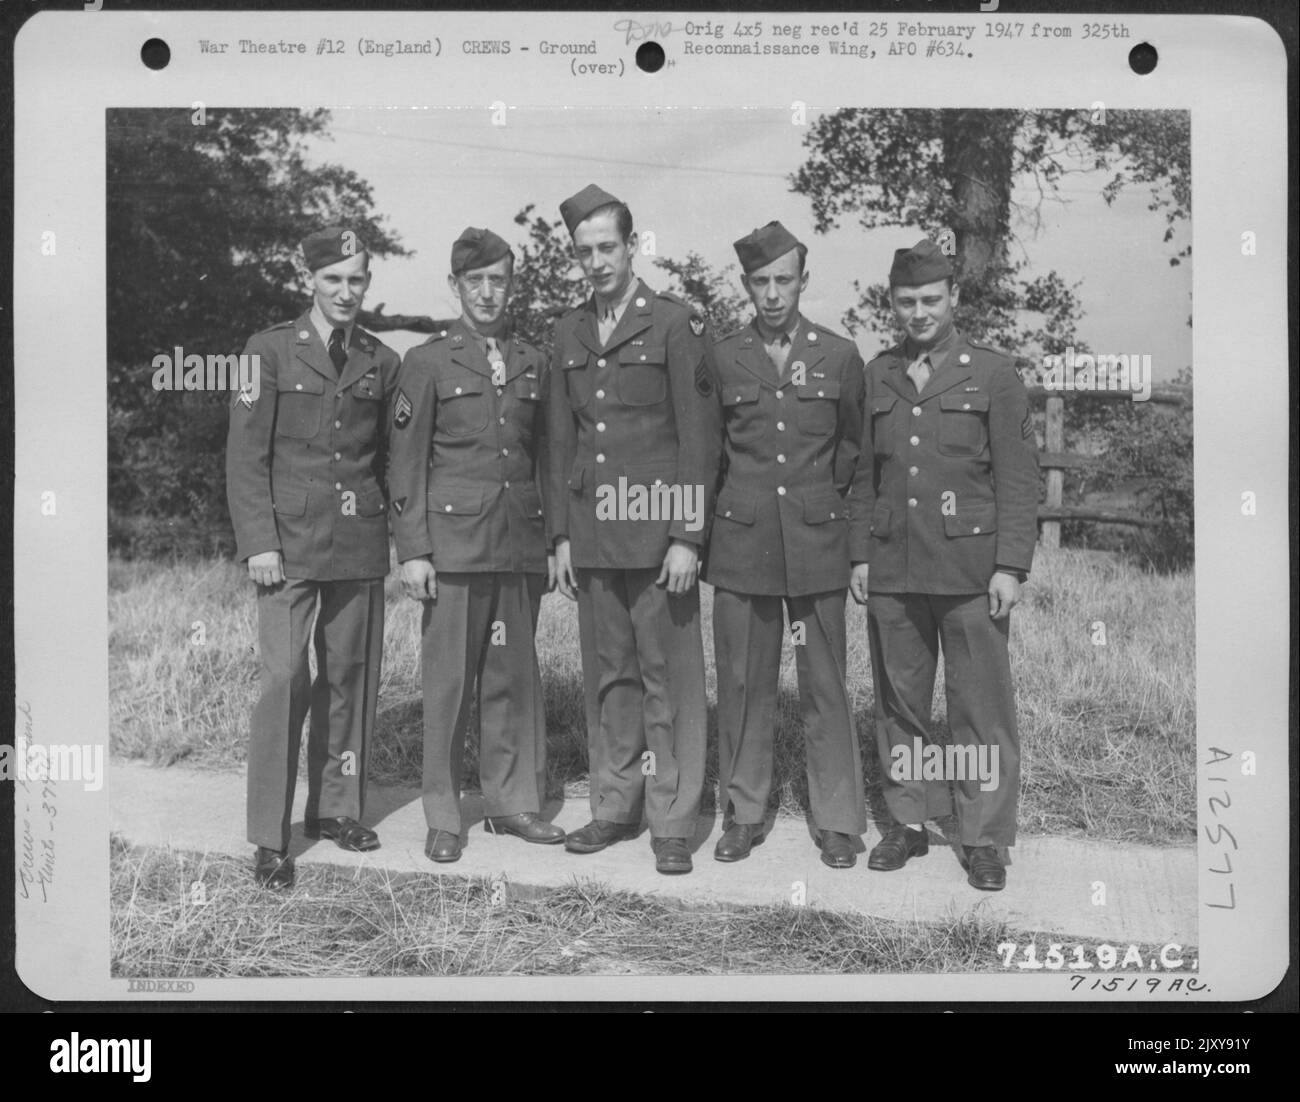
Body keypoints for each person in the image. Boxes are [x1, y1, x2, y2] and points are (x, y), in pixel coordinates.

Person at [849, 239, 1039, 891]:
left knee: (977, 708)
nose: (920, 311)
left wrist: (1011, 564)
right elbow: (860, 478)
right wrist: (859, 557)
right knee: (900, 705)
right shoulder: (877, 375)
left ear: (954, 297)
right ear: (893, 303)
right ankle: (907, 822)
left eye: (932, 299)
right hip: (894, 570)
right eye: (907, 301)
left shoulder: (993, 373)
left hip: (969, 570)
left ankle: (981, 834)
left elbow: (1020, 480)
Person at [546, 184, 722, 875]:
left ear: (631, 245)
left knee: (668, 681)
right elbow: (560, 442)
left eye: (607, 247)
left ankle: (672, 821)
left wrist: (687, 533)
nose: (597, 262)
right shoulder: (566, 330)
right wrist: (559, 535)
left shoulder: (676, 325)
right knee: (608, 677)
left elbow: (698, 438)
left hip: (658, 540)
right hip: (592, 537)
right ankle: (614, 807)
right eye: (584, 251)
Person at [227, 225, 400, 889]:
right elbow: (246, 455)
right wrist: (259, 541)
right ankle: (270, 837)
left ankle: (336, 810)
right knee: (283, 684)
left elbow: (387, 459)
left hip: (358, 544)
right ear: (312, 280)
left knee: (351, 680)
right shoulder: (263, 350)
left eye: (357, 279)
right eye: (334, 279)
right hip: (287, 549)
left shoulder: (383, 363)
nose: (346, 291)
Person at [388, 226, 561, 864]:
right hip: (453, 550)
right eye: (475, 282)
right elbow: (405, 464)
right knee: (450, 683)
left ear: (512, 285)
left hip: (518, 545)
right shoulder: (427, 362)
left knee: (512, 680)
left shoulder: (533, 360)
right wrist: (413, 550)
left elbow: (548, 455)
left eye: (499, 280)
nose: (488, 293)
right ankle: (443, 813)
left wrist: (554, 539)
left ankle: (512, 803)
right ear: (455, 286)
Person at [706, 221, 869, 868]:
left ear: (804, 280)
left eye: (784, 280)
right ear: (745, 284)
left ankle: (835, 818)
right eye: (760, 282)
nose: (773, 293)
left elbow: (854, 459)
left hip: (816, 544)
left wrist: (853, 545)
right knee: (745, 685)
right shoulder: (721, 357)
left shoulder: (838, 356)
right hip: (742, 546)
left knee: (825, 684)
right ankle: (743, 812)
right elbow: (708, 455)